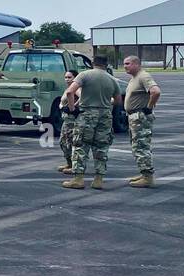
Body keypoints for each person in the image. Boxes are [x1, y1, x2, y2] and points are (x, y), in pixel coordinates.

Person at [61, 55, 123, 189]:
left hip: (87, 114)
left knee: (80, 146)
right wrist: (106, 103)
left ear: (93, 63)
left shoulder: (84, 75)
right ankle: (98, 179)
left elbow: (70, 92)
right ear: (106, 65)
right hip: (105, 116)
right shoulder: (112, 79)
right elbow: (118, 101)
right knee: (101, 147)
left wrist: (72, 109)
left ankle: (78, 179)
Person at [122, 55, 161, 187]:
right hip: (133, 117)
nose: (125, 66)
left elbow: (155, 92)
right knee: (137, 146)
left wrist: (148, 108)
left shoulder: (143, 76)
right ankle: (144, 172)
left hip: (140, 117)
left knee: (141, 146)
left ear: (136, 64)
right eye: (124, 64)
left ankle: (148, 177)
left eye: (127, 64)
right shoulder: (134, 78)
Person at [56, 69, 80, 175]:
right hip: (66, 120)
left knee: (71, 143)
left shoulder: (77, 88)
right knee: (63, 142)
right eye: (66, 77)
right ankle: (69, 163)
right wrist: (61, 106)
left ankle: (74, 166)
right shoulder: (68, 89)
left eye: (69, 77)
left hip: (72, 121)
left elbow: (82, 97)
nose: (67, 79)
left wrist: (73, 107)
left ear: (75, 78)